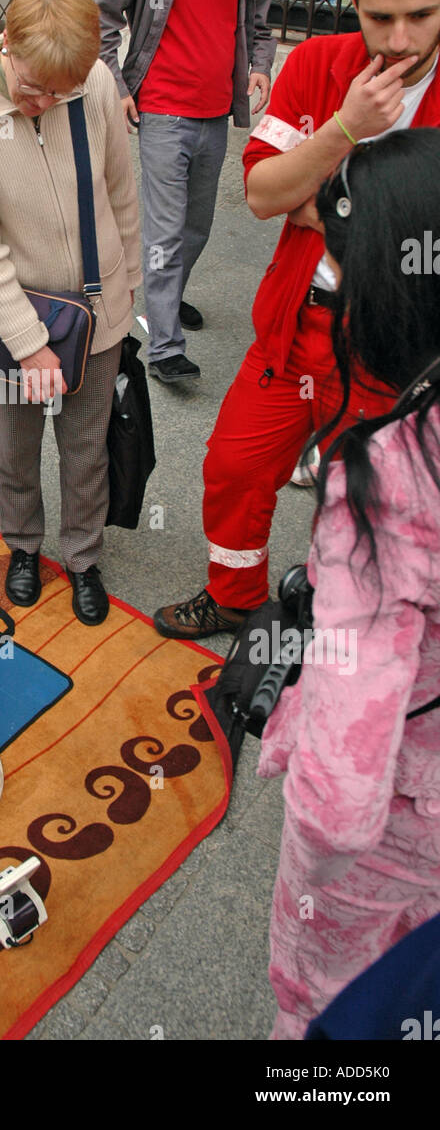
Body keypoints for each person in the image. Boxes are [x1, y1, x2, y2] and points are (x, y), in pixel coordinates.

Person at [154, 0, 440, 639]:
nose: (400, 39)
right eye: (380, 17)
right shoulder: (316, 64)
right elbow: (261, 193)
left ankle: (350, 621)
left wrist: (330, 203)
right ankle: (236, 594)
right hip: (295, 324)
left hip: (397, 343)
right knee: (234, 467)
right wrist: (346, 130)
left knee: (369, 502)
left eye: (420, 15)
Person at [258, 128, 440, 1039]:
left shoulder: (392, 483)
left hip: (402, 831)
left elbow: (339, 799)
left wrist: (314, 854)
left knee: (333, 1011)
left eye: (341, 275)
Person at [0, 0, 141, 625]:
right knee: (14, 451)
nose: (45, 103)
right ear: (10, 45)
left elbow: (121, 191)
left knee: (87, 451)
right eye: (34, 90)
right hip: (6, 318)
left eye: (61, 94)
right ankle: (23, 546)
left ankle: (83, 558)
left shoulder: (93, 82)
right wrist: (28, 343)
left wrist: (129, 292)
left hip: (97, 306)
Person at [95, 0, 274, 383]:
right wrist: (120, 85)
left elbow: (261, 21)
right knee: (167, 230)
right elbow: (101, 17)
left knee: (197, 227)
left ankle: (162, 299)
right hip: (164, 110)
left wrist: (261, 64)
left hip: (216, 110)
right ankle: (164, 346)